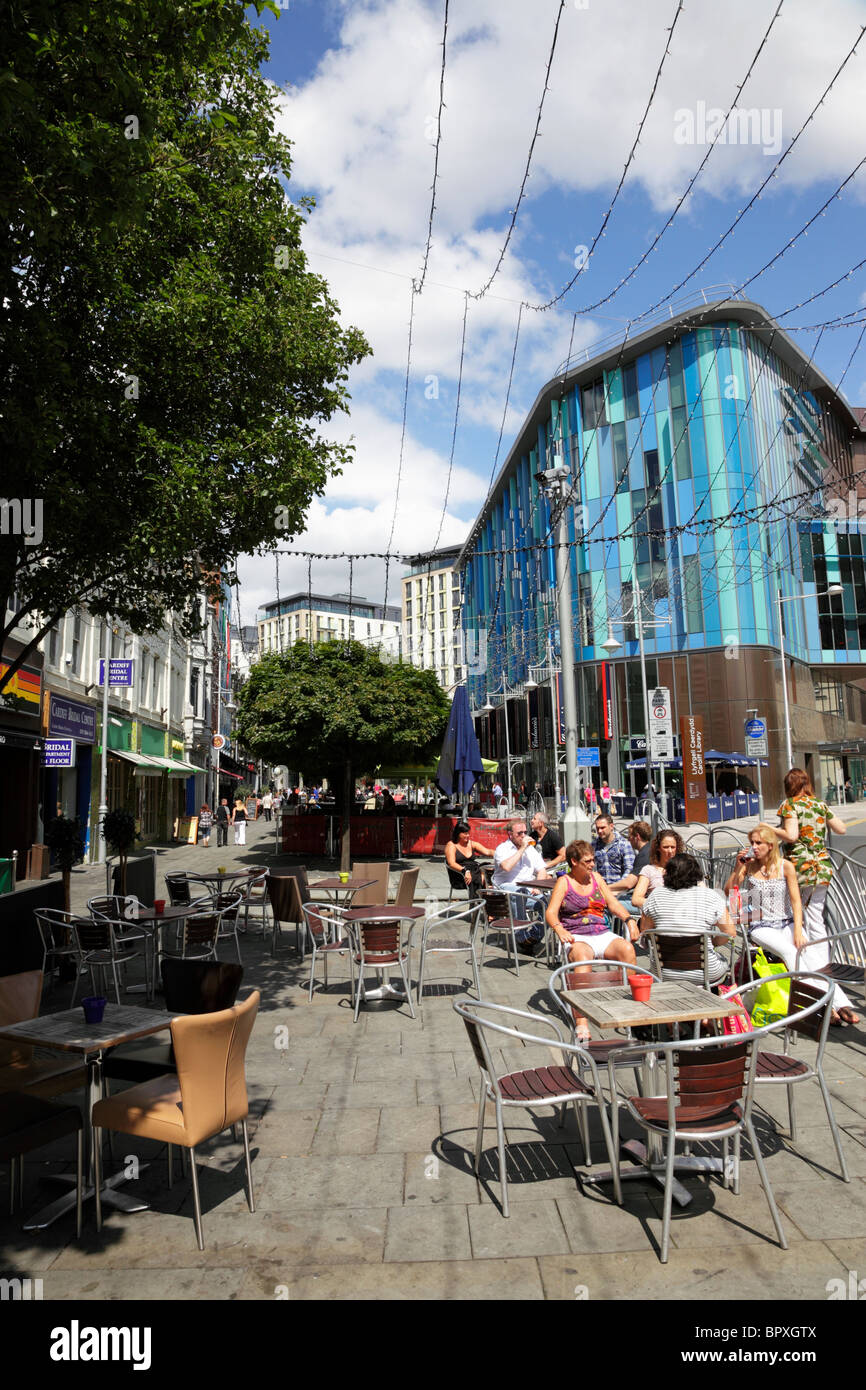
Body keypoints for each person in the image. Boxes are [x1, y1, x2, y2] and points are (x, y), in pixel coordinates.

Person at [772, 768, 859, 1024]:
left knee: (797, 920)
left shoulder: (790, 805)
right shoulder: (820, 803)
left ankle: (815, 970)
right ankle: (824, 965)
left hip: (799, 869)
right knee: (816, 919)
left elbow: (792, 835)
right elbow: (841, 828)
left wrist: (770, 828)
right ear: (807, 783)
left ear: (789, 785)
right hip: (822, 868)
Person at [546, 840, 639, 1040]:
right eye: (587, 861)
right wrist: (558, 928)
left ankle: (629, 1006)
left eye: (593, 859)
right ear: (574, 862)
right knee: (581, 955)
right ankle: (581, 1020)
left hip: (601, 932)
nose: (592, 864)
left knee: (627, 950)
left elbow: (613, 904)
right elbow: (551, 912)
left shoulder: (596, 878)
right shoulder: (564, 882)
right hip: (577, 934)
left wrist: (629, 920)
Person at [640, 853, 736, 986]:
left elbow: (645, 930)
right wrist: (712, 943)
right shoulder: (710, 896)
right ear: (696, 873)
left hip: (664, 972)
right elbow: (730, 932)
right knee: (723, 960)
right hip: (705, 974)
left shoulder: (655, 895)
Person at [492, 818, 548, 951]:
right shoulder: (502, 848)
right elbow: (506, 867)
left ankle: (533, 937)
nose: (523, 836)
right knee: (519, 891)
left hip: (527, 892)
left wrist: (537, 886)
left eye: (525, 832)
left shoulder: (531, 850)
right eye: (519, 833)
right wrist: (522, 848)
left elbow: (542, 870)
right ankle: (521, 937)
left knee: (547, 903)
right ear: (510, 834)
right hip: (505, 891)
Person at [631, 829, 685, 913]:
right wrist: (664, 905)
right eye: (666, 847)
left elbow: (702, 890)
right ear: (658, 848)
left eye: (673, 847)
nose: (670, 851)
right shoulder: (648, 870)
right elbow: (636, 899)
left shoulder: (685, 868)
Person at [592, 813, 636, 892]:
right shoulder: (594, 845)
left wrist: (618, 886)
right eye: (597, 828)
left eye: (602, 828)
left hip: (620, 889)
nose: (599, 831)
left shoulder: (623, 844)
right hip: (600, 888)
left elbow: (629, 869)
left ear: (611, 826)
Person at [445, 821, 489, 897]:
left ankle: (488, 898)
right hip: (459, 875)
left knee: (488, 868)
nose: (468, 835)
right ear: (458, 834)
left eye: (468, 833)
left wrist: (500, 854)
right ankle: (477, 901)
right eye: (465, 834)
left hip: (473, 871)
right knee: (477, 876)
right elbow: (451, 863)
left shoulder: (471, 844)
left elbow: (488, 852)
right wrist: (465, 870)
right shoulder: (451, 845)